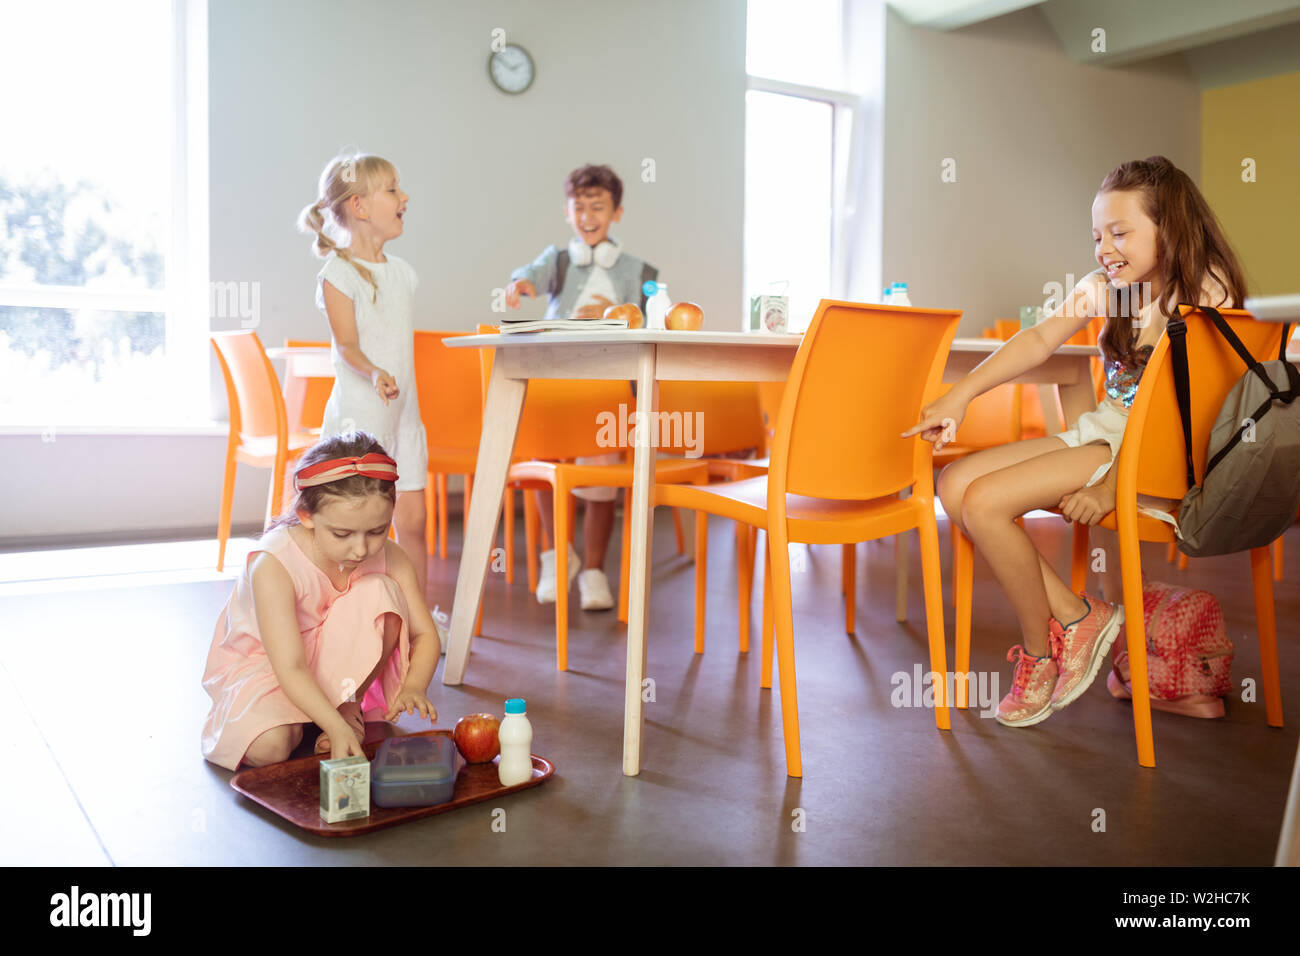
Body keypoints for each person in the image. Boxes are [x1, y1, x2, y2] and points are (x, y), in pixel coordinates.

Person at [903, 155, 1245, 728]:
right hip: (1107, 436)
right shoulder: (1110, 289)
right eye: (1096, 235)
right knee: (954, 483)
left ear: (1171, 228)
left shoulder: (1205, 291)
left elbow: (1190, 414)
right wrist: (961, 394)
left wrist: (1116, 483)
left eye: (1119, 232)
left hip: (1159, 457)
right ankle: (1077, 615)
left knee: (986, 502)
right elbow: (1038, 340)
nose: (1104, 248)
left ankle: (1040, 653)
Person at [201, 433, 442, 771]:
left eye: (377, 531)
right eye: (342, 535)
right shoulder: (273, 563)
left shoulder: (392, 557)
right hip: (270, 668)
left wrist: (414, 686)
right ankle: (314, 718)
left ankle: (345, 704)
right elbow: (290, 666)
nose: (361, 549)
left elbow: (425, 634)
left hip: (328, 666)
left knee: (382, 591)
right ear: (306, 515)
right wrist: (333, 727)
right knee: (269, 748)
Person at [503, 163, 659, 610]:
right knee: (544, 465)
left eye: (599, 207)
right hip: (558, 384)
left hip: (606, 387)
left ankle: (592, 568)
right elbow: (529, 272)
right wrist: (521, 283)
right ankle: (556, 555)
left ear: (617, 213)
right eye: (580, 207)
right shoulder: (559, 260)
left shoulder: (640, 269)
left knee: (602, 477)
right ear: (567, 212)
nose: (589, 216)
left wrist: (619, 311)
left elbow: (654, 320)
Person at [297, 152, 431, 600]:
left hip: (404, 419)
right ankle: (345, 614)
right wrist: (374, 373)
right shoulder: (337, 275)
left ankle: (418, 618)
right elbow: (347, 345)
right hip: (360, 423)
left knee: (413, 522)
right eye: (393, 189)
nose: (404, 197)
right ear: (359, 207)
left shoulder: (403, 274)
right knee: (359, 529)